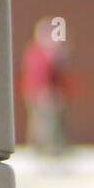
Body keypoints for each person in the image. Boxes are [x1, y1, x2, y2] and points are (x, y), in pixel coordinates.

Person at [21, 18, 71, 154]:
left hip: (46, 94)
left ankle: (53, 149)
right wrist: (43, 92)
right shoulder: (36, 53)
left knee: (51, 122)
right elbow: (38, 74)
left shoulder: (49, 53)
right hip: (40, 94)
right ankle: (42, 150)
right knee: (42, 123)